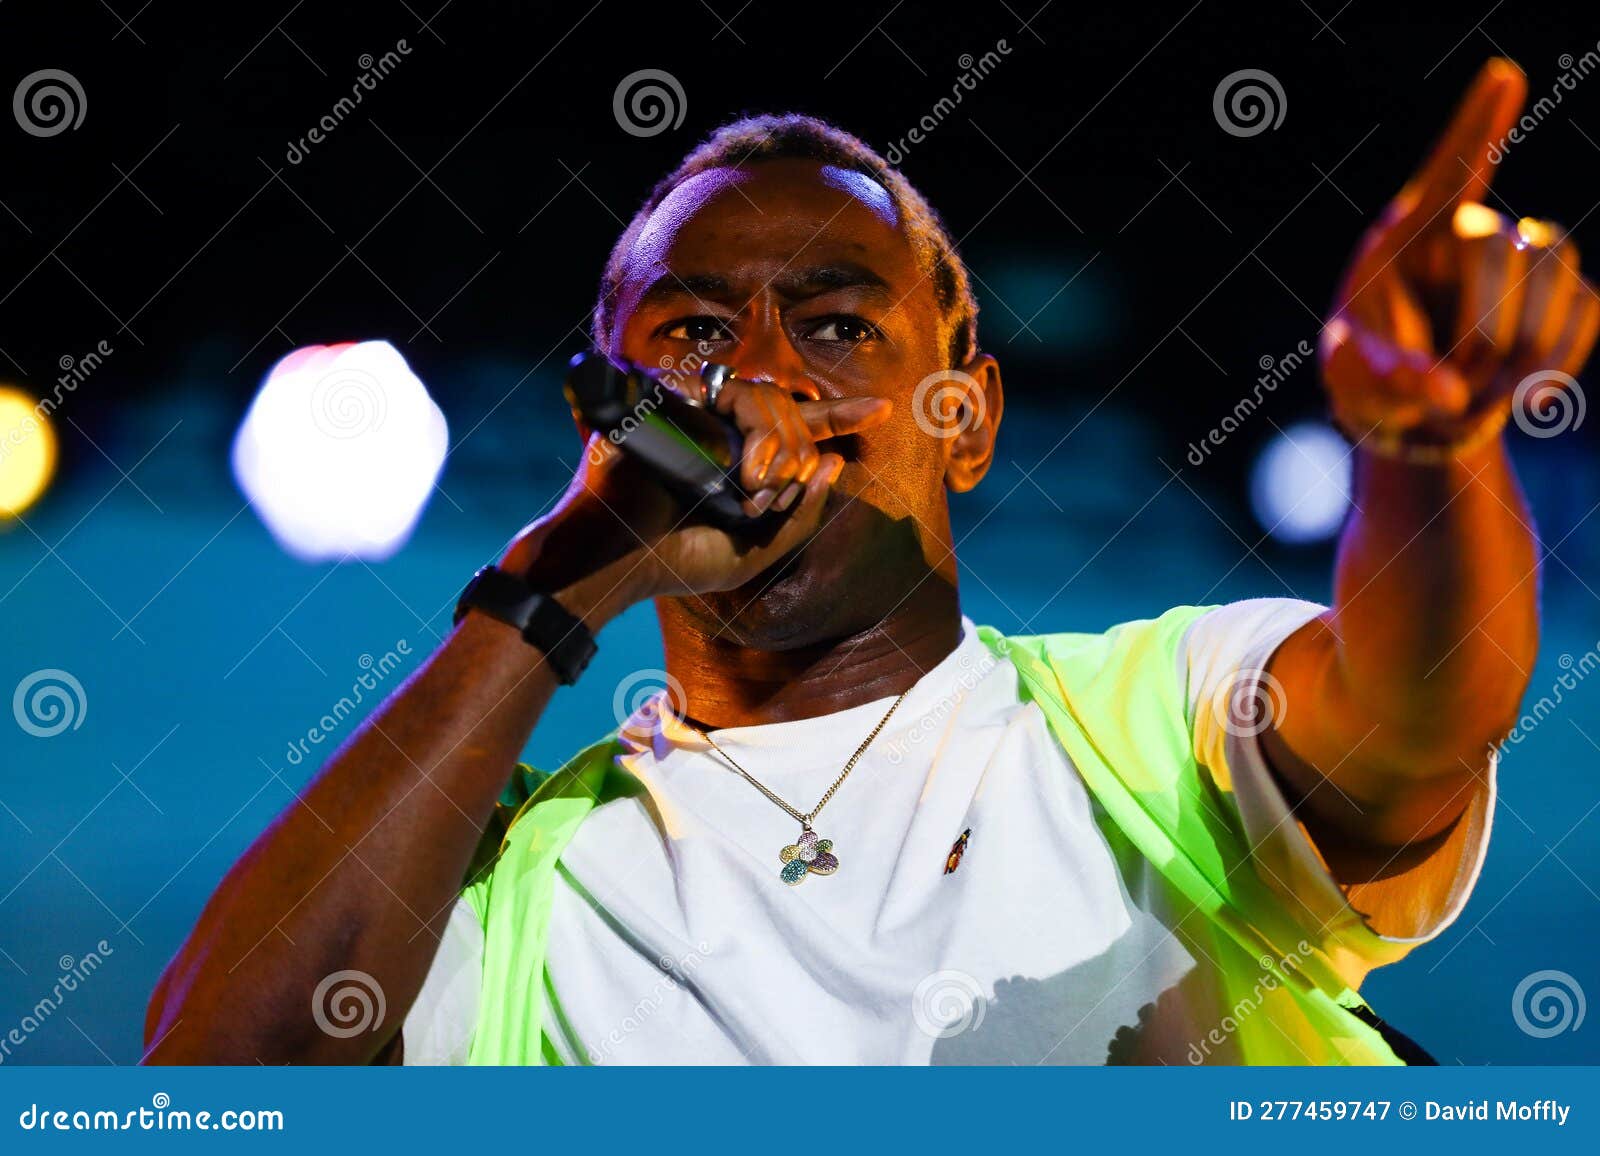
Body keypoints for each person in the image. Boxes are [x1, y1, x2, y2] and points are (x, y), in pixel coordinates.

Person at [144, 59, 1595, 1065]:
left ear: (966, 421)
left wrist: (1424, 442)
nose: (761, 375)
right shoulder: (507, 885)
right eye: (695, 336)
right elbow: (213, 1088)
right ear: (612, 419)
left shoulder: (1143, 718)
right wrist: (558, 577)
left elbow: (1425, 710)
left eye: (839, 329)